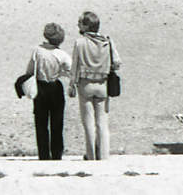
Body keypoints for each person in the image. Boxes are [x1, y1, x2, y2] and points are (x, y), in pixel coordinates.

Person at [68, 10, 120, 160]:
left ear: (86, 26)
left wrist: (72, 84)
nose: (78, 25)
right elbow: (117, 63)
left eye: (80, 23)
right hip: (103, 84)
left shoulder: (80, 43)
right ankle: (103, 154)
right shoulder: (108, 41)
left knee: (88, 123)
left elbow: (75, 66)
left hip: (85, 84)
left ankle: (91, 155)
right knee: (102, 122)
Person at [17, 22, 71, 160]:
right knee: (57, 122)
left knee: (41, 123)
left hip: (40, 88)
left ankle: (43, 154)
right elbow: (70, 71)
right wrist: (60, 73)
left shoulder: (37, 51)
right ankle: (57, 153)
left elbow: (30, 70)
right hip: (55, 87)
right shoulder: (62, 54)